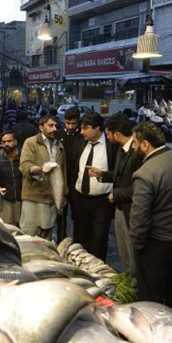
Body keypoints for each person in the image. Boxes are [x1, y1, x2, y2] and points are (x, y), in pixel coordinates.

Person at [129, 122, 172, 314]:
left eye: (135, 143)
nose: (133, 147)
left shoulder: (145, 173)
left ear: (145, 144)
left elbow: (139, 219)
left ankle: (154, 341)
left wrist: (137, 246)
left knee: (150, 300)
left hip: (159, 245)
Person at [88, 114, 140, 273]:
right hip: (119, 209)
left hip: (133, 212)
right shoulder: (120, 150)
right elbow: (119, 175)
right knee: (124, 254)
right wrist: (102, 175)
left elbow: (139, 188)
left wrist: (116, 194)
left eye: (108, 134)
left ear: (117, 134)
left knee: (133, 257)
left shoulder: (137, 151)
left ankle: (136, 291)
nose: (107, 137)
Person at [71, 112, 117, 261]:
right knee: (80, 238)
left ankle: (97, 272)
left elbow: (118, 172)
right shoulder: (79, 142)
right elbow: (73, 168)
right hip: (79, 199)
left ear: (98, 128)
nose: (82, 131)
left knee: (99, 240)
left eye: (86, 128)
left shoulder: (111, 146)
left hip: (102, 202)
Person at [19, 115, 66, 239]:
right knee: (29, 235)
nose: (54, 129)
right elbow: (24, 166)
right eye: (50, 126)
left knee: (46, 235)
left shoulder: (59, 146)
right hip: (33, 196)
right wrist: (40, 170)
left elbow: (63, 173)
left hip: (51, 198)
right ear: (41, 127)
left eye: (56, 125)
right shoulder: (31, 142)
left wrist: (63, 194)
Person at [57, 107, 84, 240]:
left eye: (74, 123)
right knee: (60, 215)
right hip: (61, 182)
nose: (71, 126)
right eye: (68, 123)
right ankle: (61, 241)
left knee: (77, 216)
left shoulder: (82, 137)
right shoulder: (58, 136)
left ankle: (77, 242)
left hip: (77, 183)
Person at [0, 131, 23, 226]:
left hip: (24, 199)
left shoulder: (24, 157)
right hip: (8, 200)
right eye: (3, 142)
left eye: (9, 141)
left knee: (25, 227)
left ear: (16, 142)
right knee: (10, 227)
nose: (6, 144)